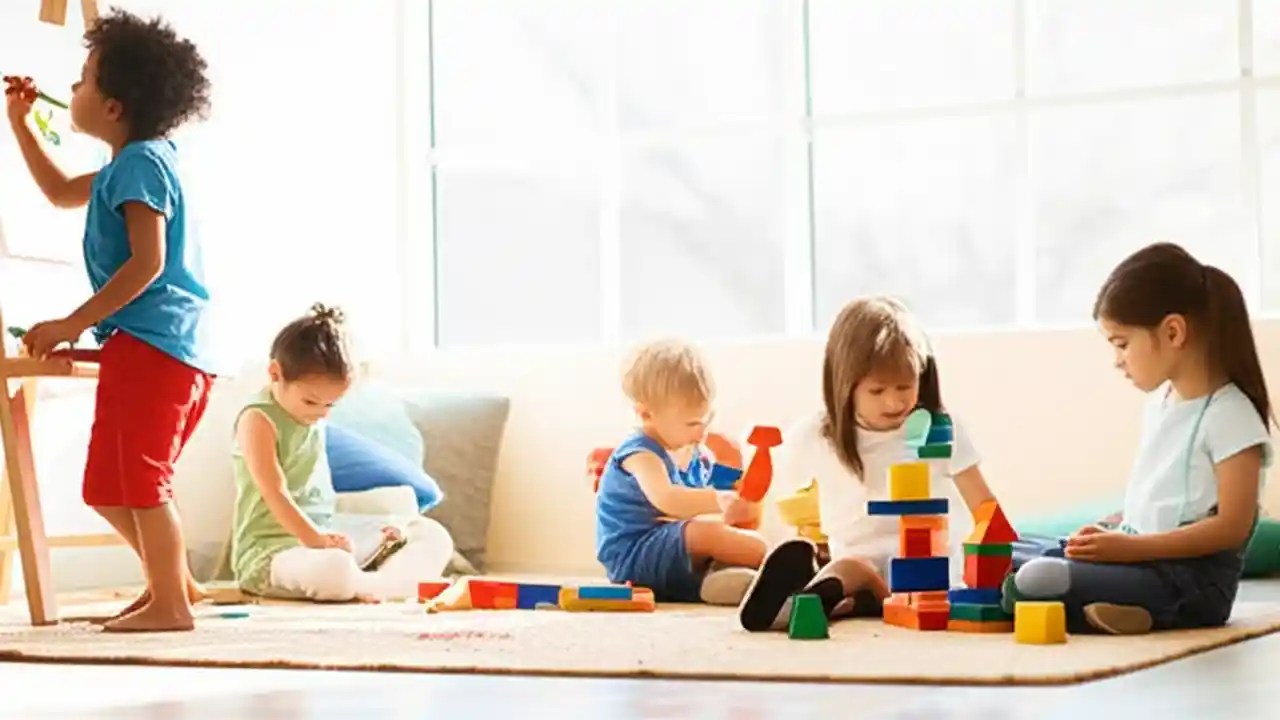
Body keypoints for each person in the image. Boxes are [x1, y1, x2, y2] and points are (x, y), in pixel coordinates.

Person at [7, 10, 215, 632]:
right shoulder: (131, 165)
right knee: (106, 488)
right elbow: (61, 191)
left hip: (158, 349)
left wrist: (71, 322)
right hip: (146, 348)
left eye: (83, 79)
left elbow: (147, 262)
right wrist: (20, 126)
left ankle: (171, 604)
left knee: (145, 485)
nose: (72, 90)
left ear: (115, 107)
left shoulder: (143, 165)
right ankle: (171, 584)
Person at [1006, 243, 1272, 634]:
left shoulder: (1230, 415)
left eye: (1122, 344)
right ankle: (1118, 610)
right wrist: (1112, 531)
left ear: (1172, 332)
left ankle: (1139, 610)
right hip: (1138, 560)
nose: (1118, 360)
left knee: (1037, 578)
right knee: (1007, 551)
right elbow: (1160, 503)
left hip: (1190, 582)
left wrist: (1130, 549)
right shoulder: (1162, 404)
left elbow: (1232, 527)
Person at [740, 296, 1002, 631]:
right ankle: (811, 601)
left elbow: (983, 504)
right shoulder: (818, 433)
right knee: (848, 570)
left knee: (851, 570)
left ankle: (820, 597)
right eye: (877, 391)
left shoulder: (939, 429)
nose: (894, 401)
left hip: (931, 578)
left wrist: (995, 561)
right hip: (858, 561)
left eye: (905, 387)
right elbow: (779, 488)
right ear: (844, 386)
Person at [230, 304, 454, 602]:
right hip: (272, 552)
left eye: (330, 405)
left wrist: (360, 536)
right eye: (311, 402)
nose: (321, 414)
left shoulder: (312, 417)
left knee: (431, 534)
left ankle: (368, 582)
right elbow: (275, 493)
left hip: (323, 536)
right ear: (275, 373)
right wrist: (317, 542)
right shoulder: (258, 419)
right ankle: (376, 583)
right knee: (334, 568)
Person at [596, 339, 766, 604]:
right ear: (646, 415)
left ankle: (725, 583)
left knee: (747, 542)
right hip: (634, 556)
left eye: (707, 420)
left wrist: (742, 499)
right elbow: (668, 499)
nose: (702, 432)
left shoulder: (694, 452)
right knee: (708, 534)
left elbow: (724, 494)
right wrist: (719, 500)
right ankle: (764, 569)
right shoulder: (640, 454)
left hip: (675, 555)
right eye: (692, 423)